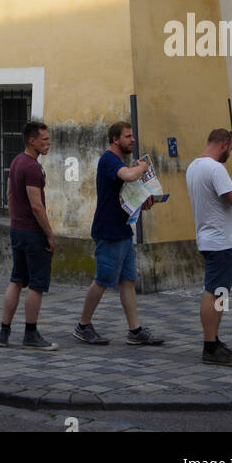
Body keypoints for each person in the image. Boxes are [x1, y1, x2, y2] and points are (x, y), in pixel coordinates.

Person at [74, 120, 164, 346]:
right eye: (127, 136)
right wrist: (141, 168)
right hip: (109, 231)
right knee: (102, 280)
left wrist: (143, 201)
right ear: (115, 139)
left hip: (123, 229)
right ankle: (83, 326)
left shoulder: (119, 161)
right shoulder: (109, 160)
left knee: (128, 281)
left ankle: (135, 330)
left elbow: (126, 192)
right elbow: (128, 176)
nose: (132, 139)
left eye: (132, 136)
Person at [186, 128, 232, 366]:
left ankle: (215, 339)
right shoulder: (215, 168)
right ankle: (210, 346)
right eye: (231, 149)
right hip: (220, 241)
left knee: (221, 292)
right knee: (214, 292)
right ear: (224, 144)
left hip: (211, 237)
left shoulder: (194, 166)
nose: (230, 154)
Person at [0, 119, 57, 350]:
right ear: (31, 141)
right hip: (33, 233)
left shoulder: (16, 162)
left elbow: (10, 194)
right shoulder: (32, 166)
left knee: (16, 279)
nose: (48, 143)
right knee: (36, 285)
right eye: (44, 140)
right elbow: (37, 206)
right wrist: (49, 235)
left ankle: (4, 331)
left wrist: (15, 219)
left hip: (17, 229)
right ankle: (30, 334)